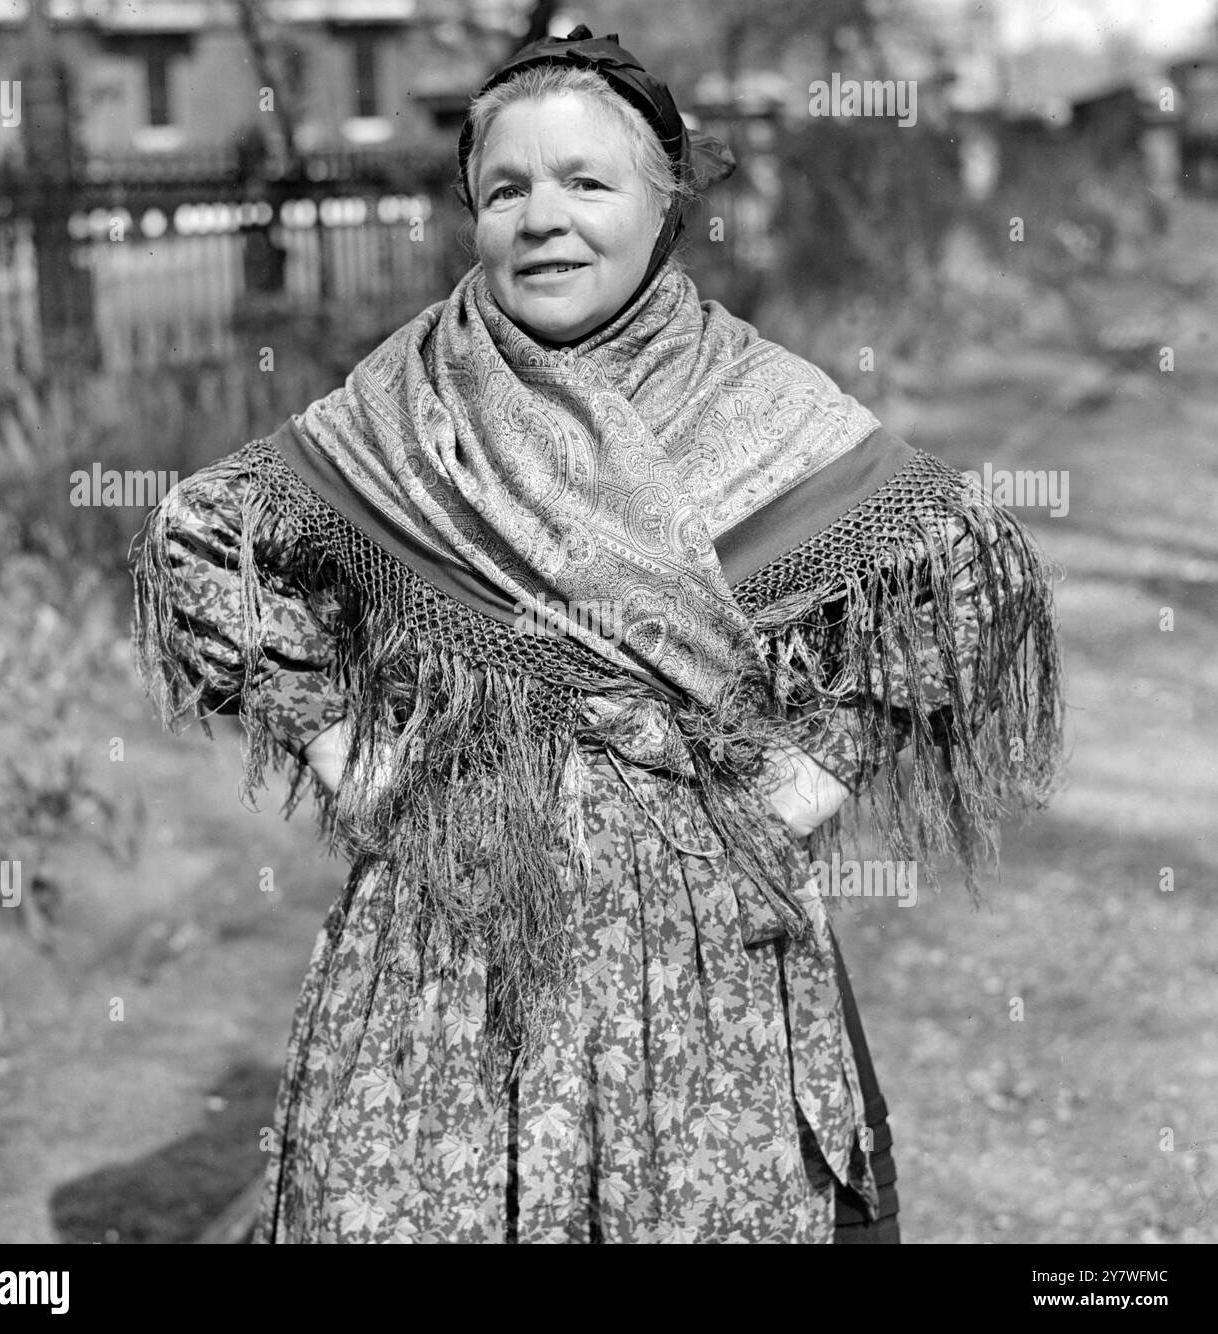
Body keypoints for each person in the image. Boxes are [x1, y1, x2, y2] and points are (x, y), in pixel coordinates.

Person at [131, 27, 1064, 1244]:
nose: (541, 217)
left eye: (586, 181)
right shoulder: (403, 412)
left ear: (662, 201)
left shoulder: (763, 409)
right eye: (505, 188)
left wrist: (806, 775)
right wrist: (343, 752)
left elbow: (957, 567)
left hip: (702, 944)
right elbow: (201, 537)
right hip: (450, 931)